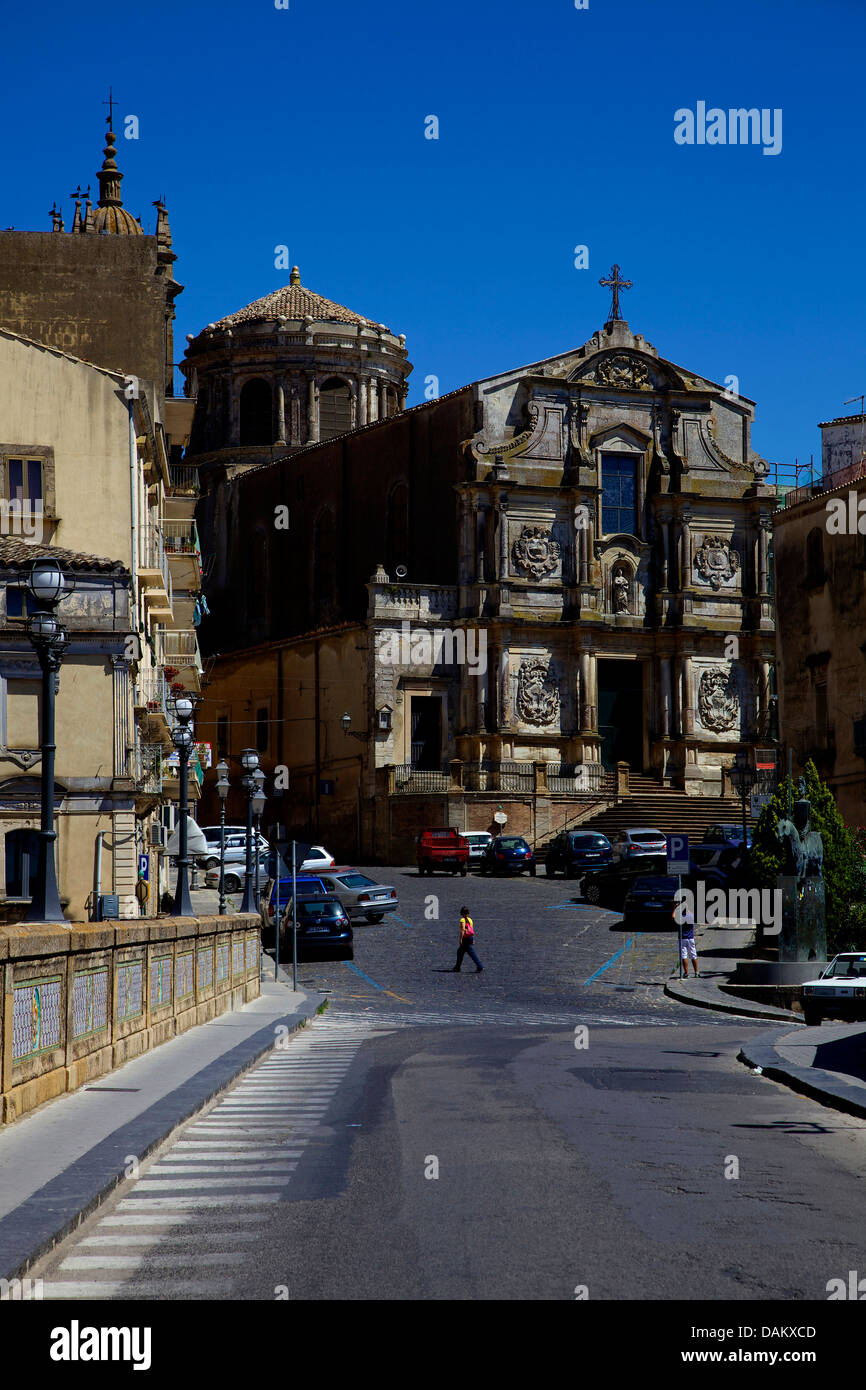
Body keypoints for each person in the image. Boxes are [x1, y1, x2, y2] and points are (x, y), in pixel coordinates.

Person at [451, 905, 483, 973]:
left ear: (461, 913)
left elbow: (463, 930)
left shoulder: (462, 920)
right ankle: (457, 967)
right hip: (470, 938)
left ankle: (480, 966)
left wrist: (460, 940)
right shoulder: (470, 920)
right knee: (460, 952)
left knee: (471, 953)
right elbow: (471, 930)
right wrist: (472, 939)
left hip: (465, 939)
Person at [680, 904, 698, 977]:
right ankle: (696, 972)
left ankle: (686, 973)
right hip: (691, 938)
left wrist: (675, 909)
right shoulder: (691, 916)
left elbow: (673, 917)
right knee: (693, 955)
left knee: (684, 955)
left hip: (683, 938)